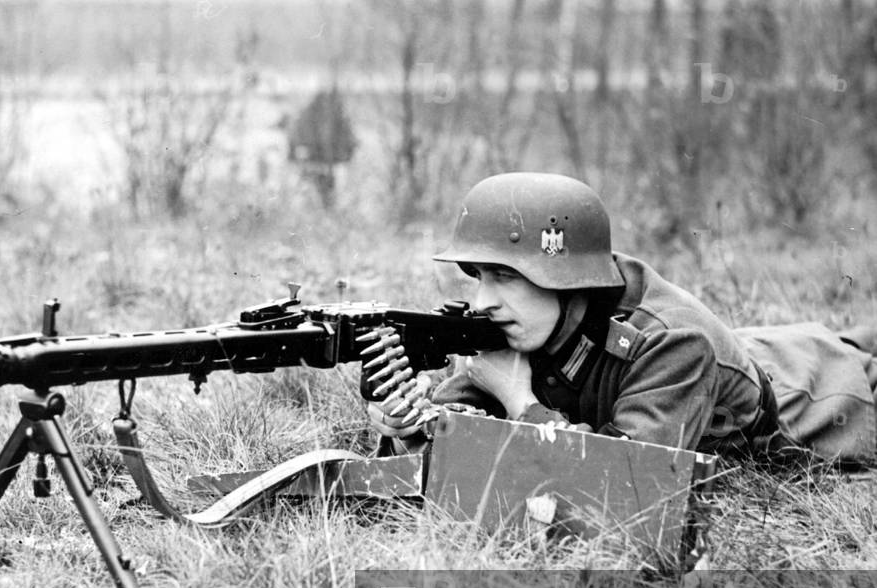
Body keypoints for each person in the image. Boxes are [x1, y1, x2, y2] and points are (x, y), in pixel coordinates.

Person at [369, 172, 877, 464]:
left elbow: (630, 485)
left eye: (504, 277)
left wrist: (521, 403)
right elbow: (460, 436)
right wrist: (413, 428)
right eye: (478, 276)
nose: (482, 301)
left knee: (858, 354)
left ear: (566, 279)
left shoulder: (675, 342)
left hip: (820, 392)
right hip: (740, 356)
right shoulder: (528, 323)